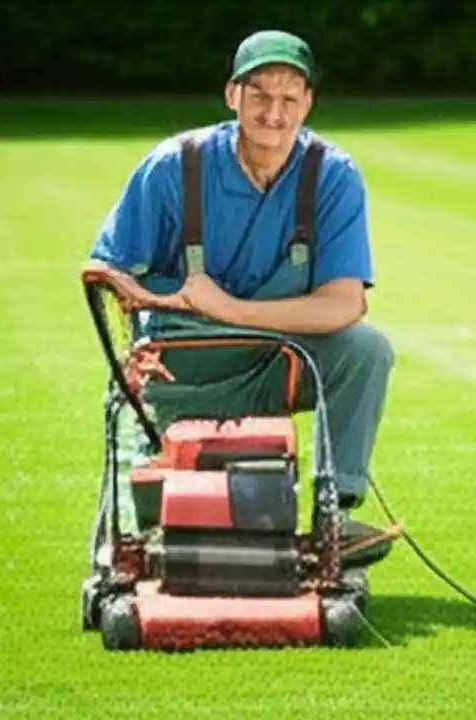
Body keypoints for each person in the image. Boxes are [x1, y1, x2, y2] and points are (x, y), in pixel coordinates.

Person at [87, 30, 395, 568]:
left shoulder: (332, 175)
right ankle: (145, 509)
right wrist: (136, 306)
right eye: (259, 94)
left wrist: (226, 307)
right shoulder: (173, 167)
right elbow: (103, 269)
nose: (273, 112)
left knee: (365, 348)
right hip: (180, 376)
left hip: (278, 364)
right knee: (143, 544)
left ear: (308, 103)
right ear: (232, 95)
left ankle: (334, 512)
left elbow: (344, 304)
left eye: (289, 97)